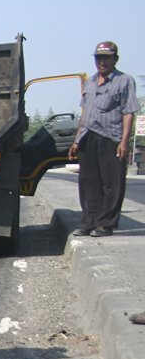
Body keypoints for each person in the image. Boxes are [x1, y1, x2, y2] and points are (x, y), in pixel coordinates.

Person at [69, 41, 138, 237]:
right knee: (88, 182)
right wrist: (76, 141)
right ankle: (89, 222)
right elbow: (85, 114)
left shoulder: (124, 81)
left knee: (111, 183)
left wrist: (124, 141)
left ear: (115, 59)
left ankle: (105, 224)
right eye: (99, 58)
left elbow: (128, 112)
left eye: (106, 58)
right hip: (88, 136)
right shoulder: (90, 82)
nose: (102, 62)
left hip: (111, 137)